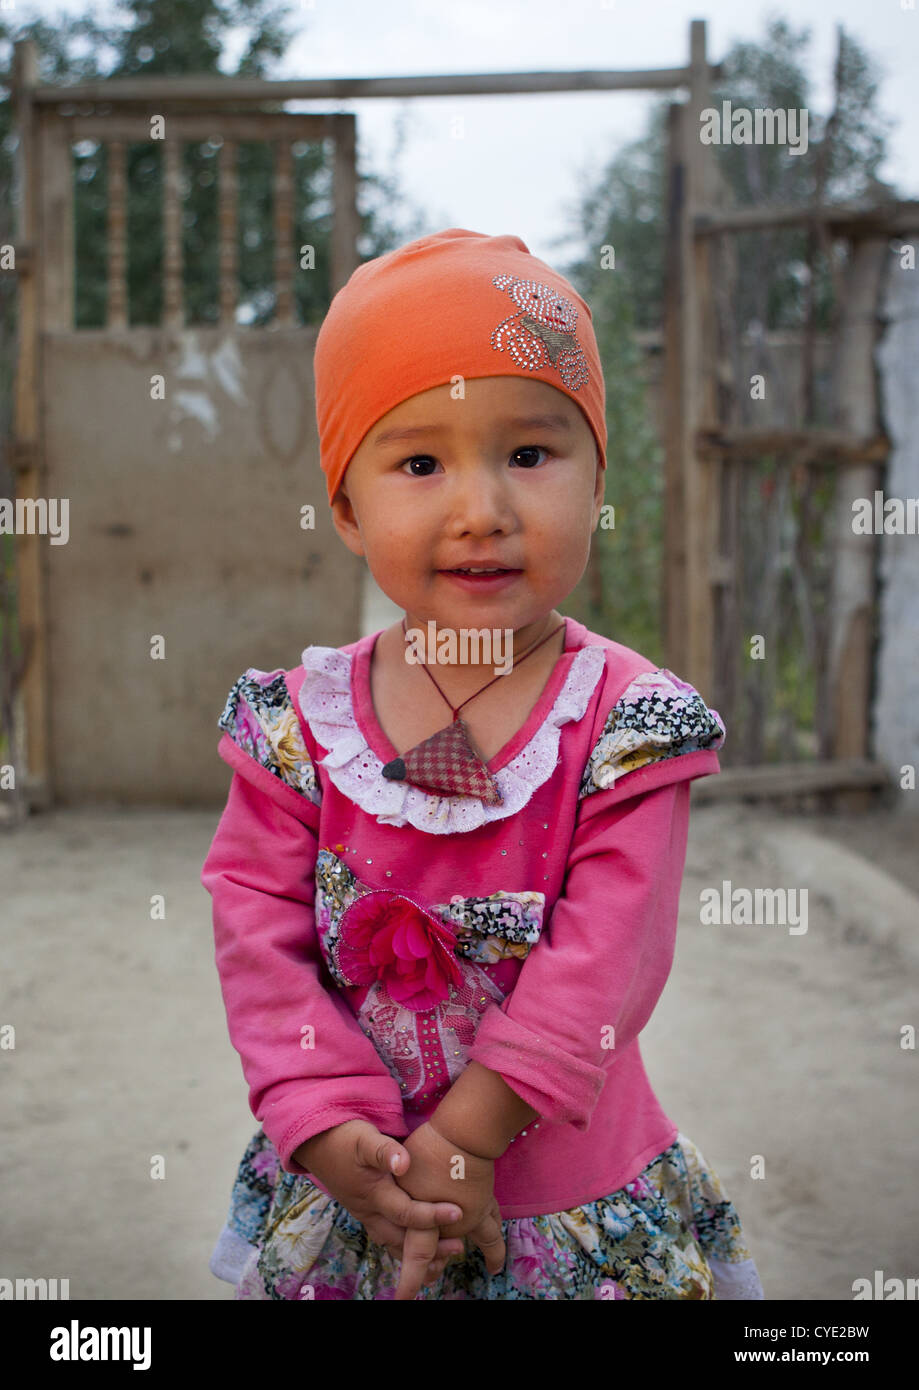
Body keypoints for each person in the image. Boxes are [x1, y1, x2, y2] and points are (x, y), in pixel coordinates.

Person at [200, 228, 764, 1301]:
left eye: (529, 454)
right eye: (419, 462)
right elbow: (253, 926)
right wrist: (320, 1118)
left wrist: (472, 1130)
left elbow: (609, 956)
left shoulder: (622, 724)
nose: (483, 511)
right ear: (351, 510)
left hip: (566, 1196)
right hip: (354, 1184)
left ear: (598, 477)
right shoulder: (296, 727)